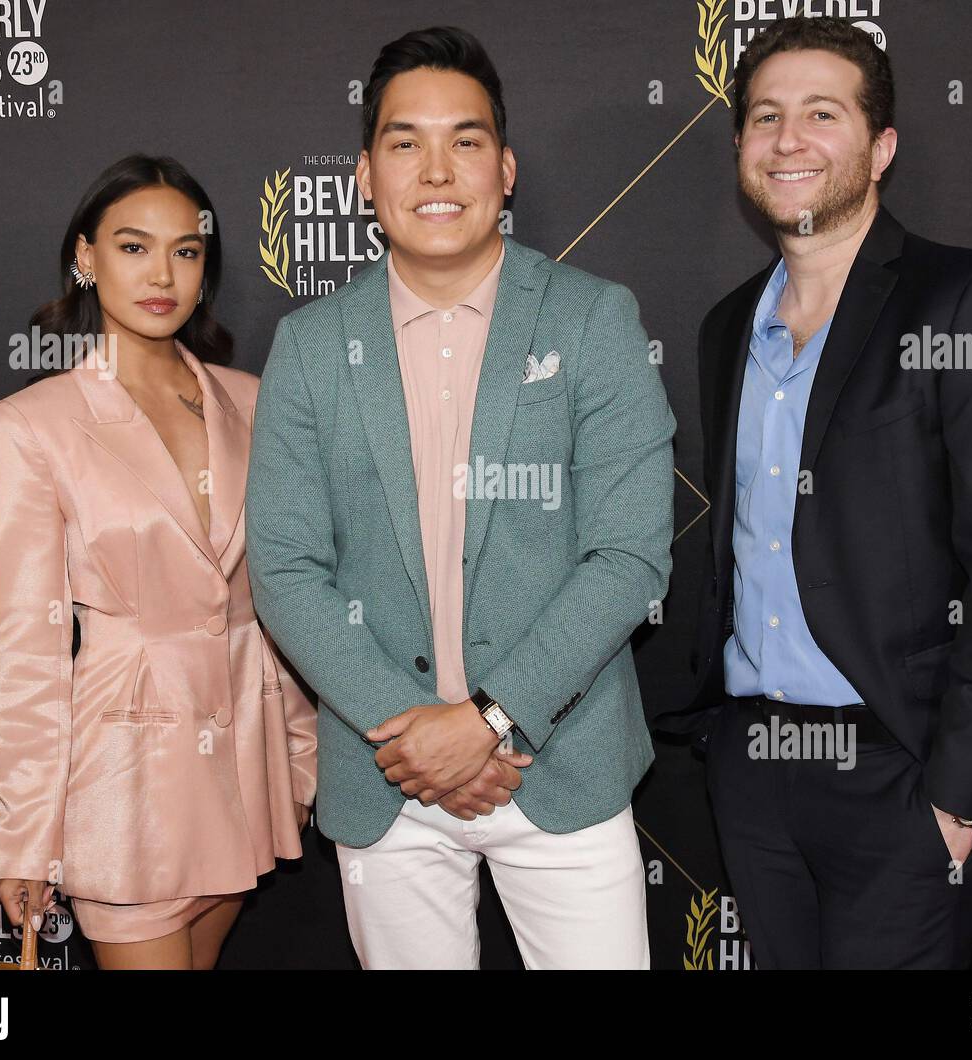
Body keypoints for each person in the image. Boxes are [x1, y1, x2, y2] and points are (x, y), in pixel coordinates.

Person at [246, 26, 676, 969]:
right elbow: (282, 568)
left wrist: (486, 723)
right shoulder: (310, 348)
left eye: (466, 140)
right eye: (405, 142)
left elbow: (631, 554)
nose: (436, 170)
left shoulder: (593, 319)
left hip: (562, 768)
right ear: (364, 173)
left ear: (507, 168)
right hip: (385, 776)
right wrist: (417, 738)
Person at [658, 17, 972, 968]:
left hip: (903, 773)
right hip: (755, 771)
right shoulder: (730, 328)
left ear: (880, 148)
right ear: (740, 151)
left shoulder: (970, 303)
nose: (788, 139)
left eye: (821, 113)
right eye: (765, 117)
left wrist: (958, 801)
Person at [0, 154, 317, 970]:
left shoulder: (255, 398)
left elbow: (287, 590)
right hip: (123, 777)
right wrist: (25, 834)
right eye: (133, 248)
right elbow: (28, 649)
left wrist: (301, 753)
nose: (162, 273)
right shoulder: (35, 424)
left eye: (187, 250)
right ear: (86, 259)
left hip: (247, 760)